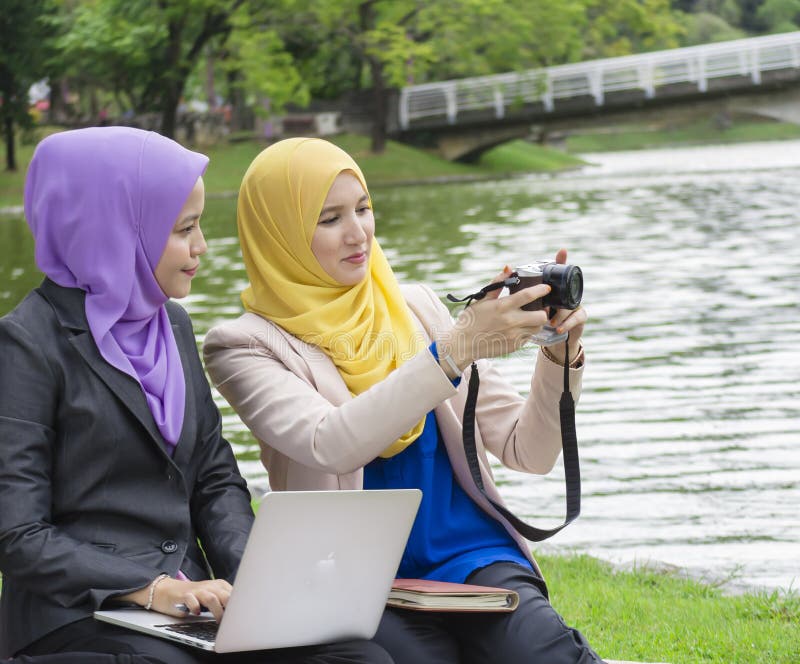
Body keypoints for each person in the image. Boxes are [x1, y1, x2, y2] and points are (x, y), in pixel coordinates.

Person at [203, 137, 603, 663]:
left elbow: (528, 451)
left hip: (473, 557)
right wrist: (456, 349)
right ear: (279, 233)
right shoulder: (245, 345)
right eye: (329, 219)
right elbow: (331, 442)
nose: (358, 232)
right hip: (350, 580)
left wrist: (559, 358)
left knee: (543, 652)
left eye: (364, 209)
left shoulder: (415, 308)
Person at [0, 128, 391, 664]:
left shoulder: (173, 327)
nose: (202, 246)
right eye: (184, 229)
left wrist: (255, 580)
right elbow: (19, 535)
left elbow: (214, 478)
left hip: (190, 609)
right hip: (79, 616)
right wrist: (154, 587)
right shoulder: (25, 345)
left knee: (355, 657)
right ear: (115, 230)